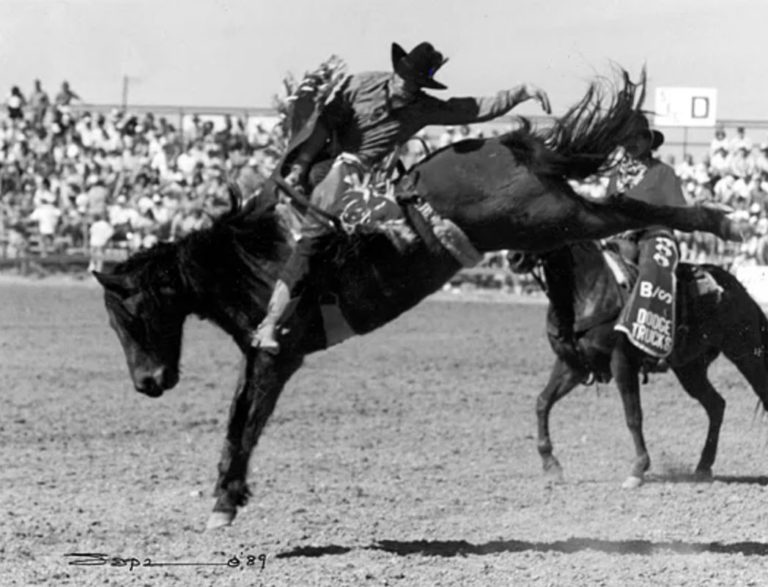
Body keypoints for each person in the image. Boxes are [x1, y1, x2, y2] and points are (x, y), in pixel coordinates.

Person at [252, 41, 552, 352]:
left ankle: (324, 306)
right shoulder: (360, 84)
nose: (409, 90)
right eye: (408, 81)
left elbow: (472, 108)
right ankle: (270, 323)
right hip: (326, 167)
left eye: (418, 85)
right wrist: (300, 165)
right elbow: (324, 125)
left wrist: (519, 92)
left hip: (364, 183)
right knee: (309, 241)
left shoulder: (422, 107)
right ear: (398, 72)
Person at [609, 112, 689, 360]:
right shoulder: (616, 176)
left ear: (648, 142)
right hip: (619, 237)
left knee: (652, 268)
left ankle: (651, 340)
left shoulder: (663, 172)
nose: (631, 144)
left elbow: (679, 211)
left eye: (637, 138)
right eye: (626, 139)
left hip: (657, 235)